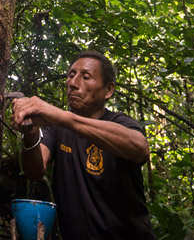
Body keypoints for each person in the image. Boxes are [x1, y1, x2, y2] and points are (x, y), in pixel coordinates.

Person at [12, 51, 157, 240]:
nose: (73, 83)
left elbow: (140, 149)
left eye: (85, 77)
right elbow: (35, 171)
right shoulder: (57, 129)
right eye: (71, 75)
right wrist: (30, 136)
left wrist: (63, 117)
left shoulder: (120, 122)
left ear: (108, 90)